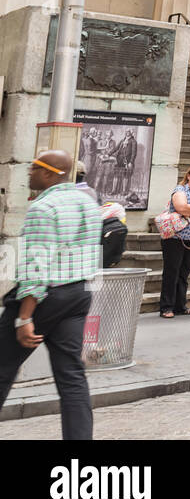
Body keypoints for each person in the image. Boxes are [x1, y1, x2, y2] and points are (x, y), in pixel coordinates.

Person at [0, 151, 101, 440]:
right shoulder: (87, 201)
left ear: (49, 174)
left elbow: (36, 266)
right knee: (72, 377)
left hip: (45, 297)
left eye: (33, 168)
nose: (28, 172)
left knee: (2, 365)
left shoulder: (43, 208)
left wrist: (24, 317)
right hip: (77, 294)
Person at [160, 163, 190, 318]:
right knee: (171, 272)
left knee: (184, 273)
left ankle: (180, 305)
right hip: (175, 238)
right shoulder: (180, 189)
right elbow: (181, 207)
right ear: (188, 175)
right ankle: (166, 307)